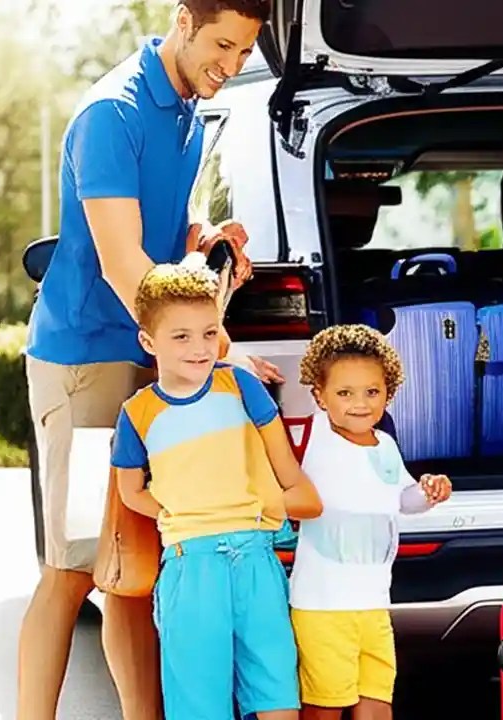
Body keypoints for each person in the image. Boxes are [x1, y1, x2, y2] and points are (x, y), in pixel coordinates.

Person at [18, 2, 277, 718]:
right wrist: (220, 353)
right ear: (183, 21)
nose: (230, 66)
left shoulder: (189, 110)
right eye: (221, 44)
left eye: (244, 53)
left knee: (134, 568)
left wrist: (204, 233)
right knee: (71, 571)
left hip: (148, 358)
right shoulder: (113, 113)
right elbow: (124, 264)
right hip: (88, 366)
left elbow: (158, 230)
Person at [110, 256, 323, 720]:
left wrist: (266, 503)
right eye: (181, 336)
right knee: (198, 704)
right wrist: (180, 509)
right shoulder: (138, 413)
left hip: (257, 561)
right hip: (191, 567)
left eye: (210, 333)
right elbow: (131, 492)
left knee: (277, 696)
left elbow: (288, 473)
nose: (200, 347)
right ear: (149, 341)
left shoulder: (240, 385)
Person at [289, 325, 453, 720]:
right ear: (320, 396)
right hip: (323, 608)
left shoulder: (386, 445)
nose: (359, 404)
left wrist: (428, 491)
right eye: (344, 393)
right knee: (324, 706)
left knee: (377, 703)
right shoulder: (316, 436)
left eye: (372, 392)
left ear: (388, 394)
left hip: (374, 605)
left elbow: (402, 500)